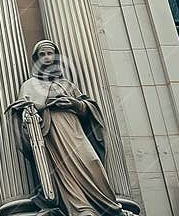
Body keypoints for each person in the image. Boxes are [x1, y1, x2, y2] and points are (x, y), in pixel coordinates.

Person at [10, 40, 126, 216]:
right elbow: (23, 110)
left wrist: (75, 104)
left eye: (50, 54)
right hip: (53, 134)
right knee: (64, 171)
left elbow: (89, 108)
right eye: (42, 55)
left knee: (92, 161)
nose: (47, 58)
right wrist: (41, 104)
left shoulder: (68, 85)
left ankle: (109, 206)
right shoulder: (29, 85)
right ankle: (82, 208)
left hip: (75, 130)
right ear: (36, 59)